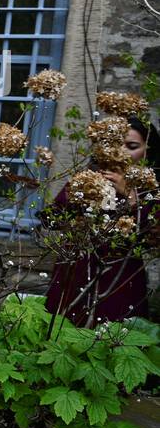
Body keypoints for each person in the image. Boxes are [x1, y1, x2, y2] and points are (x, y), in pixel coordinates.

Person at [42, 116, 160, 327]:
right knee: (63, 331)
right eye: (114, 145)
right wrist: (83, 191)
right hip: (76, 269)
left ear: (148, 151)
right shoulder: (90, 177)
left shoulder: (150, 189)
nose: (120, 152)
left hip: (119, 275)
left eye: (131, 146)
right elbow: (52, 219)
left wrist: (130, 196)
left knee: (114, 335)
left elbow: (152, 237)